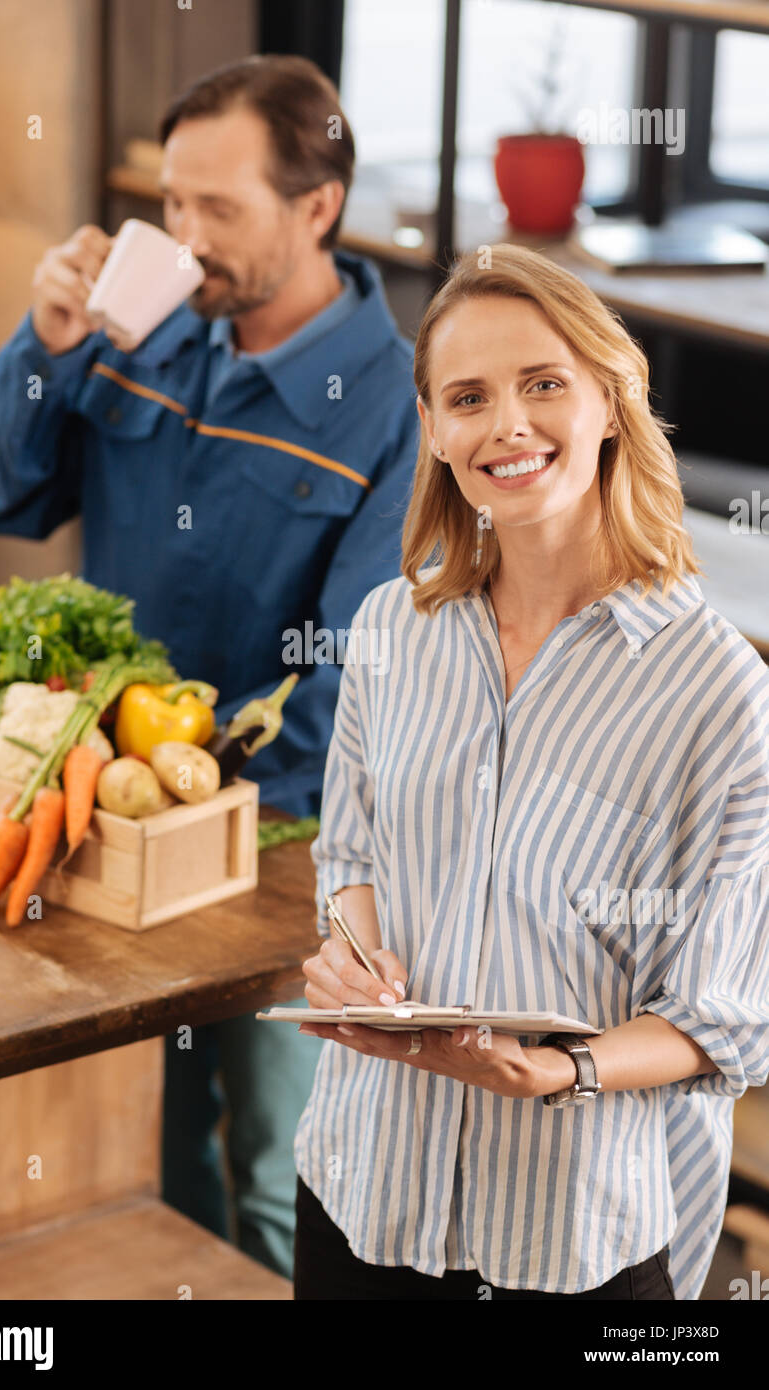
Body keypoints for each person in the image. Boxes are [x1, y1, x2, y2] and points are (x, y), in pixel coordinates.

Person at [0, 55, 419, 1279]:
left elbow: (356, 681)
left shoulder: (395, 404)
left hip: (281, 858)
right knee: (145, 1159)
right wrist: (44, 340)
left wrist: (191, 802)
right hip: (115, 827)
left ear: (317, 207)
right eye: (173, 206)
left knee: (277, 1174)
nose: (185, 236)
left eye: (221, 209)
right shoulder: (142, 327)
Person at [293, 243, 769, 1301]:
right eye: (468, 397)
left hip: (573, 1236)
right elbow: (352, 853)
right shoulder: (391, 628)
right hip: (363, 1191)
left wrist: (560, 1071)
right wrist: (353, 962)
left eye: (543, 384)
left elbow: (726, 1015)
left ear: (611, 397)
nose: (507, 425)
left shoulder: (717, 691)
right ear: (433, 431)